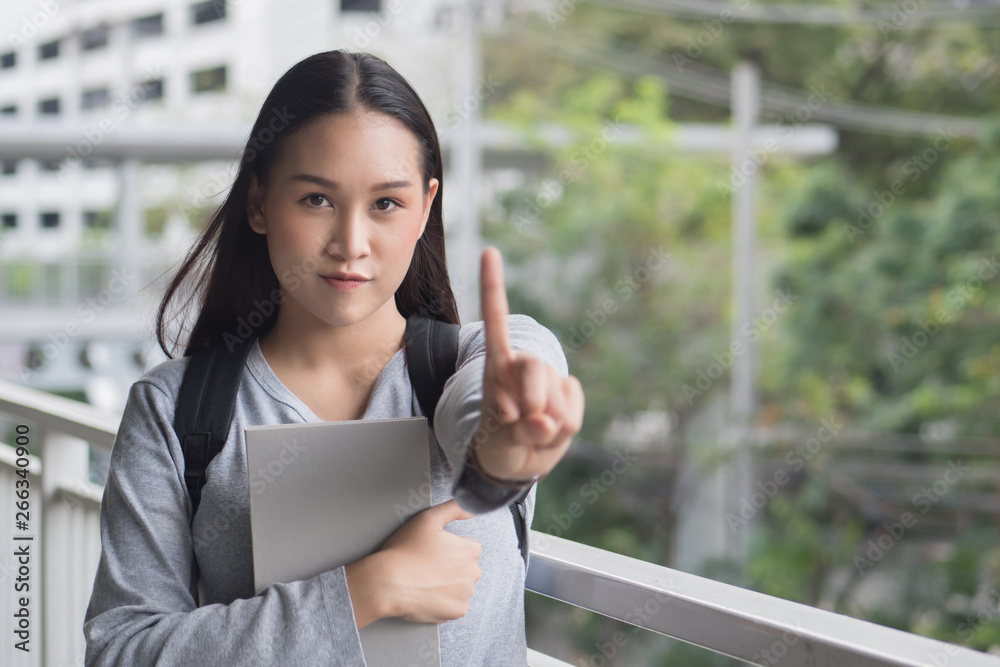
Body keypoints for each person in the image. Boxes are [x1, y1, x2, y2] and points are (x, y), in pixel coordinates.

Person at [83, 49, 584, 666]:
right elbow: (121, 653)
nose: (351, 244)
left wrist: (501, 452)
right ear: (259, 203)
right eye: (317, 200)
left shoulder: (482, 361)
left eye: (386, 204)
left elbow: (481, 424)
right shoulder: (176, 411)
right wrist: (367, 591)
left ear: (426, 207)